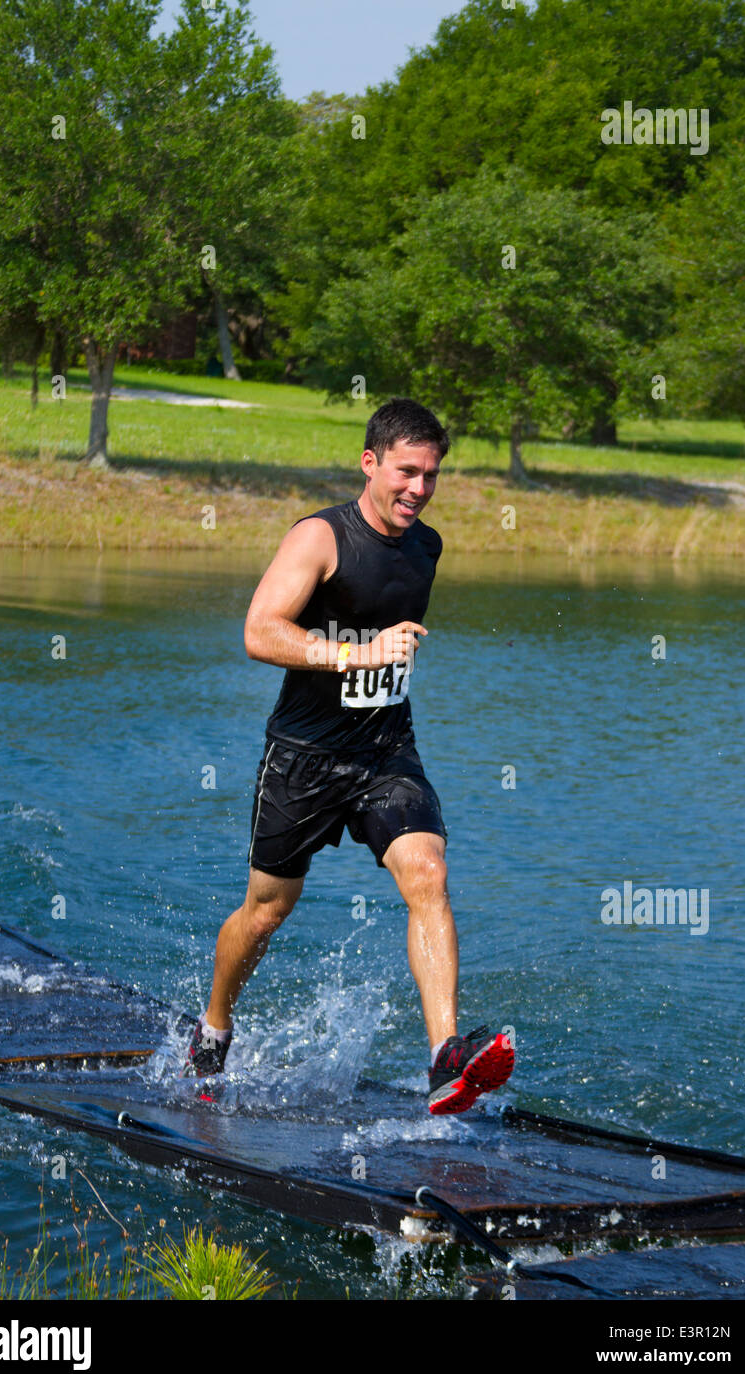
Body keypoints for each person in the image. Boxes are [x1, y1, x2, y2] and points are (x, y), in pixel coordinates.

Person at [184, 398, 514, 1113]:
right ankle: (213, 1029)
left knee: (427, 871)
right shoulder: (318, 537)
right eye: (405, 472)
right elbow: (259, 631)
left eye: (430, 476)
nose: (417, 490)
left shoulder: (427, 546)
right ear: (369, 463)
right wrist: (355, 653)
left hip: (385, 746)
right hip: (303, 754)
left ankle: (444, 1059)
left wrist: (375, 667)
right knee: (267, 911)